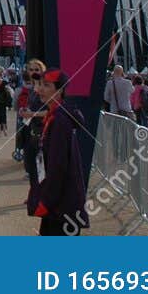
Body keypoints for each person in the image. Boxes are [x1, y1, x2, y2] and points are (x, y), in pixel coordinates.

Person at [25, 69, 88, 235]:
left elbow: (58, 166)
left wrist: (46, 201)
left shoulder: (59, 121)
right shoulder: (55, 117)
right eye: (40, 85)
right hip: (59, 205)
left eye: (46, 85)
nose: (39, 90)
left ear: (60, 91)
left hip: (61, 206)